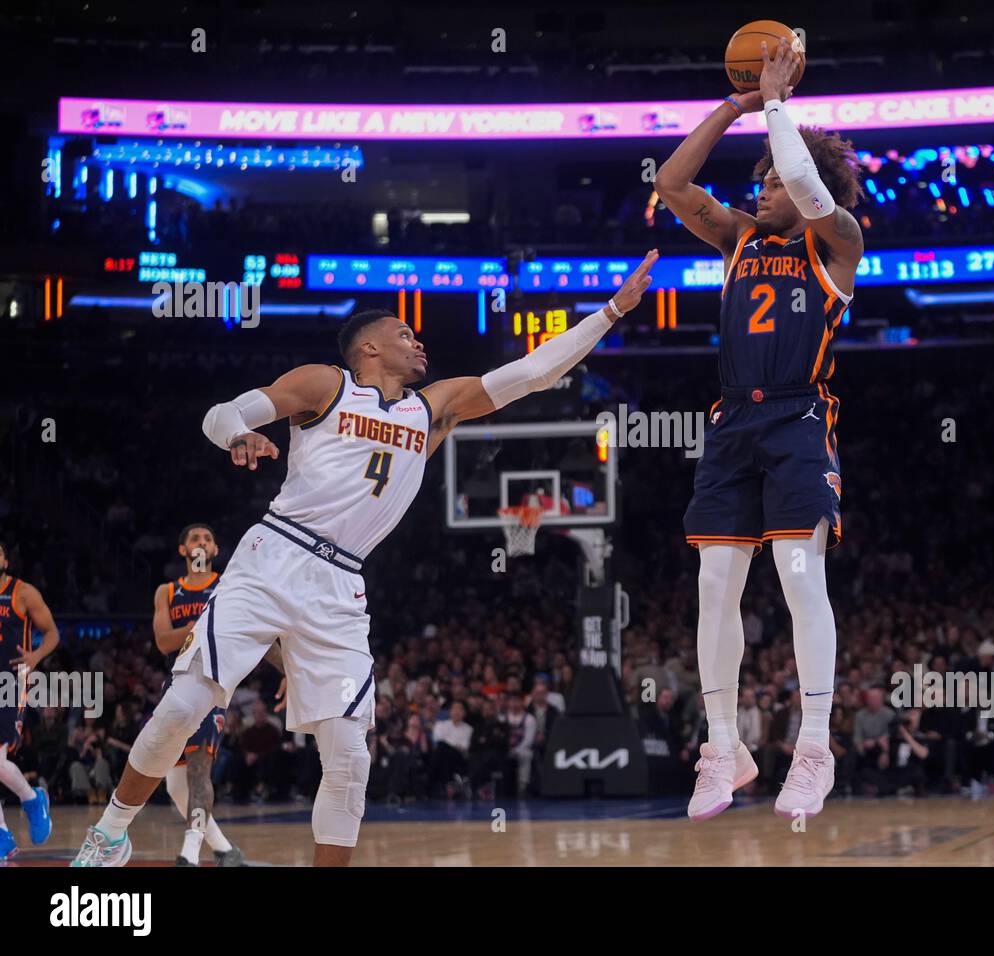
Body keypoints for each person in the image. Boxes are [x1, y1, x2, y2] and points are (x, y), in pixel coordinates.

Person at [71, 251, 658, 866]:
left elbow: (534, 371)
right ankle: (111, 829)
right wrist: (237, 436)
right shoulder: (328, 384)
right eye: (405, 333)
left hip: (342, 585)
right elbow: (224, 413)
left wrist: (611, 311)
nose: (419, 341)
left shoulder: (432, 409)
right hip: (275, 553)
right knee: (185, 705)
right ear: (370, 349)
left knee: (351, 755)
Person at [657, 37, 865, 820]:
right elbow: (673, 182)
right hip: (731, 420)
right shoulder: (739, 238)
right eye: (763, 178)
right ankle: (724, 747)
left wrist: (778, 106)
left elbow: (811, 190)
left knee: (798, 573)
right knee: (715, 584)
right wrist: (736, 107)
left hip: (798, 415)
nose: (766, 186)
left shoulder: (836, 239)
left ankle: (814, 746)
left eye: (773, 177)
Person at [149, 524, 245, 866]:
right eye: (194, 539)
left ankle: (189, 854)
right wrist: (205, 624)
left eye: (207, 539)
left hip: (211, 683)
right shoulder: (167, 591)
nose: (201, 543)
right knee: (174, 785)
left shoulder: (227, 585)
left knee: (198, 769)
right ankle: (224, 850)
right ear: (183, 550)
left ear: (216, 550)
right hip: (175, 683)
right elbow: (163, 642)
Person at [0, 542, 57, 860]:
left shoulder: (22, 592)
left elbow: (52, 633)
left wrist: (35, 656)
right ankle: (3, 836)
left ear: (5, 559)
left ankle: (32, 797)